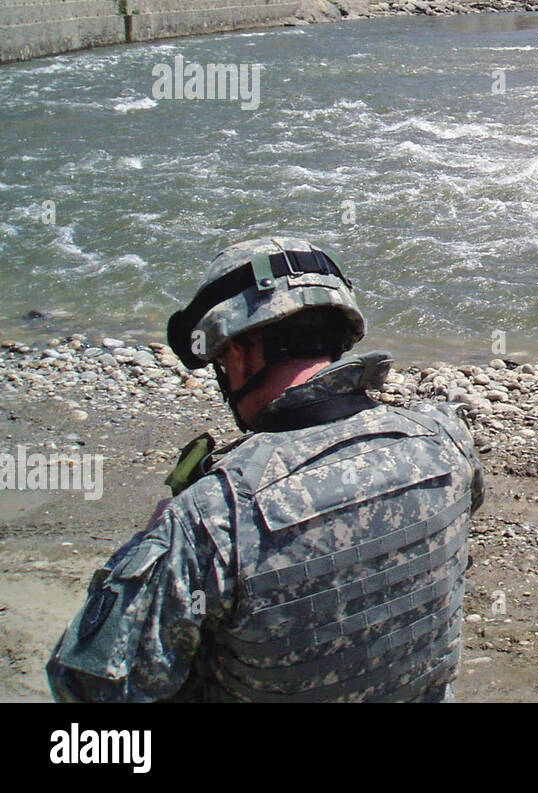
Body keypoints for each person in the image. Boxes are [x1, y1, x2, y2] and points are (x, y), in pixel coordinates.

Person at [47, 236, 484, 702]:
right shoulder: (445, 439)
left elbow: (88, 685)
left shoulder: (213, 513)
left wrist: (149, 548)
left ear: (243, 353)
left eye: (221, 362)